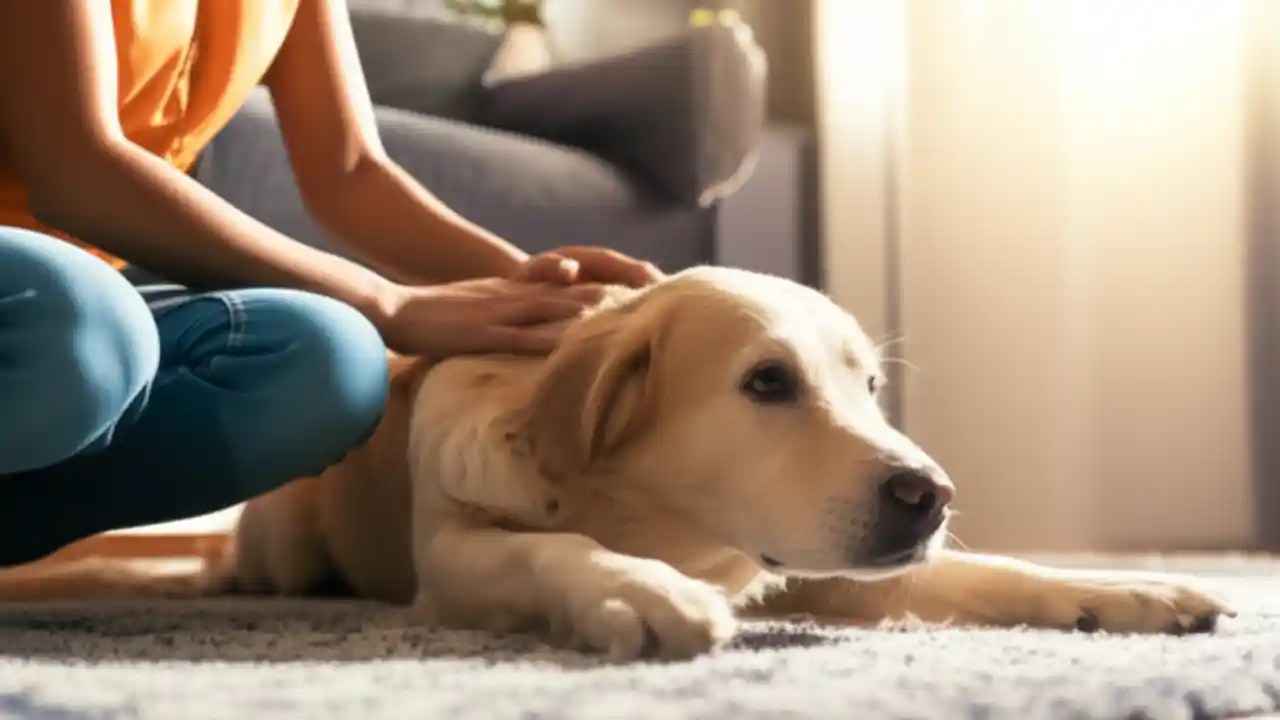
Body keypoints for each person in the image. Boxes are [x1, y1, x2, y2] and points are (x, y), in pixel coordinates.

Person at [0, 1, 661, 567]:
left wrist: (536, 290)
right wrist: (387, 301)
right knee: (80, 335)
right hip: (48, 311)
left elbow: (348, 170)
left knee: (330, 363)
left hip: (68, 318)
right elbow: (77, 171)